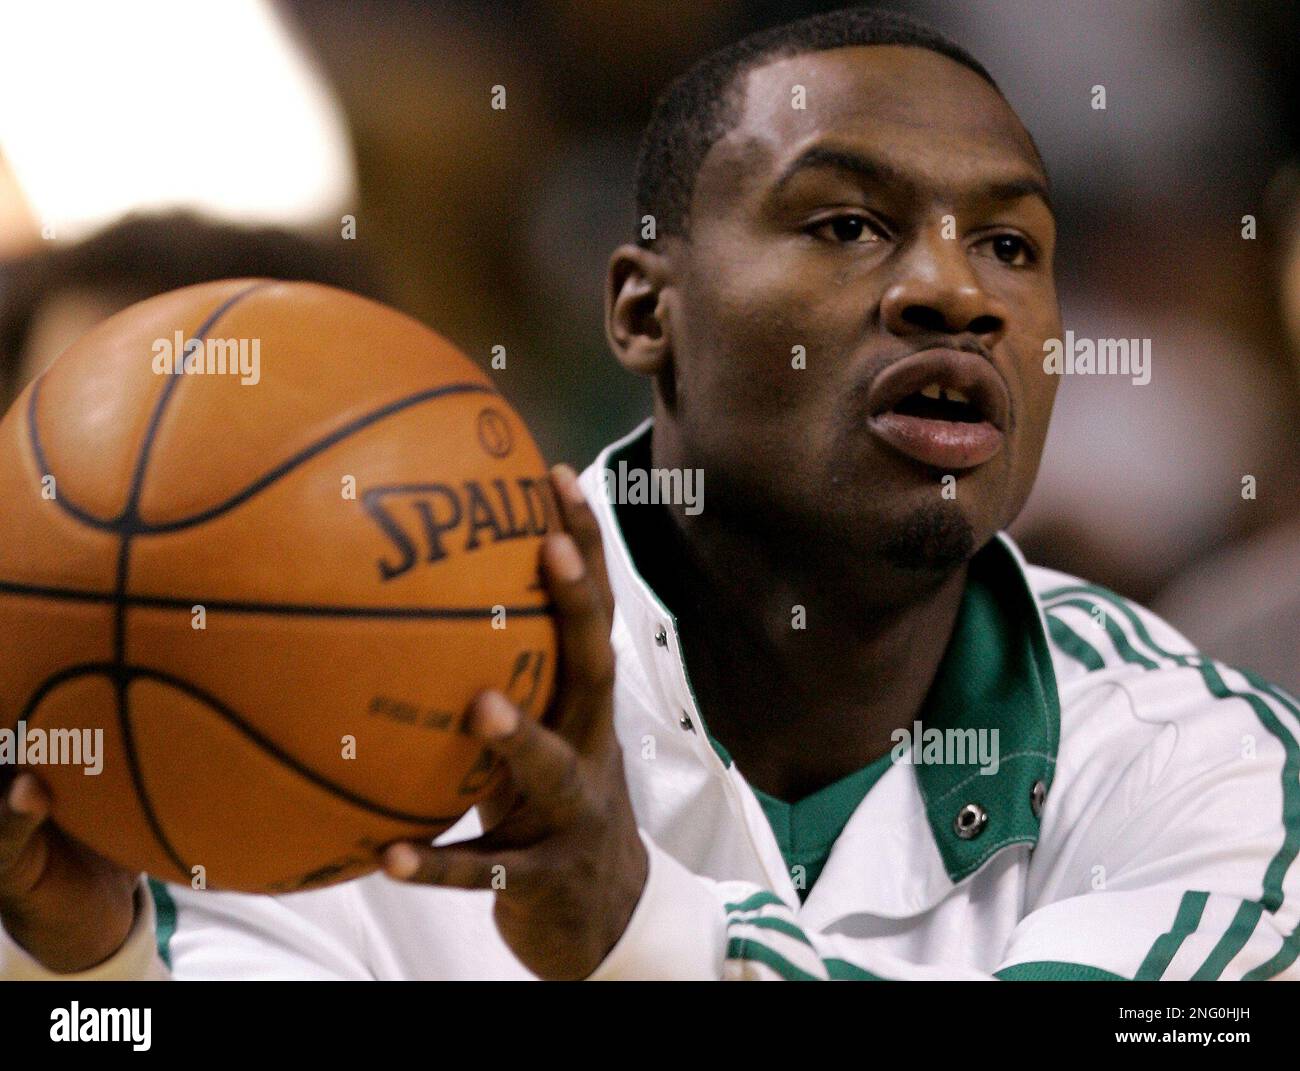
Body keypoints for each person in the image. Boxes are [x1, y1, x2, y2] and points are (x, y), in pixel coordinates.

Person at [3, 7, 1297, 982]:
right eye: (848, 225)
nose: (956, 290)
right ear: (642, 305)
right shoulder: (335, 670)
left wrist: (631, 933)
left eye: (1012, 245)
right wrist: (88, 966)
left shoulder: (1207, 758)